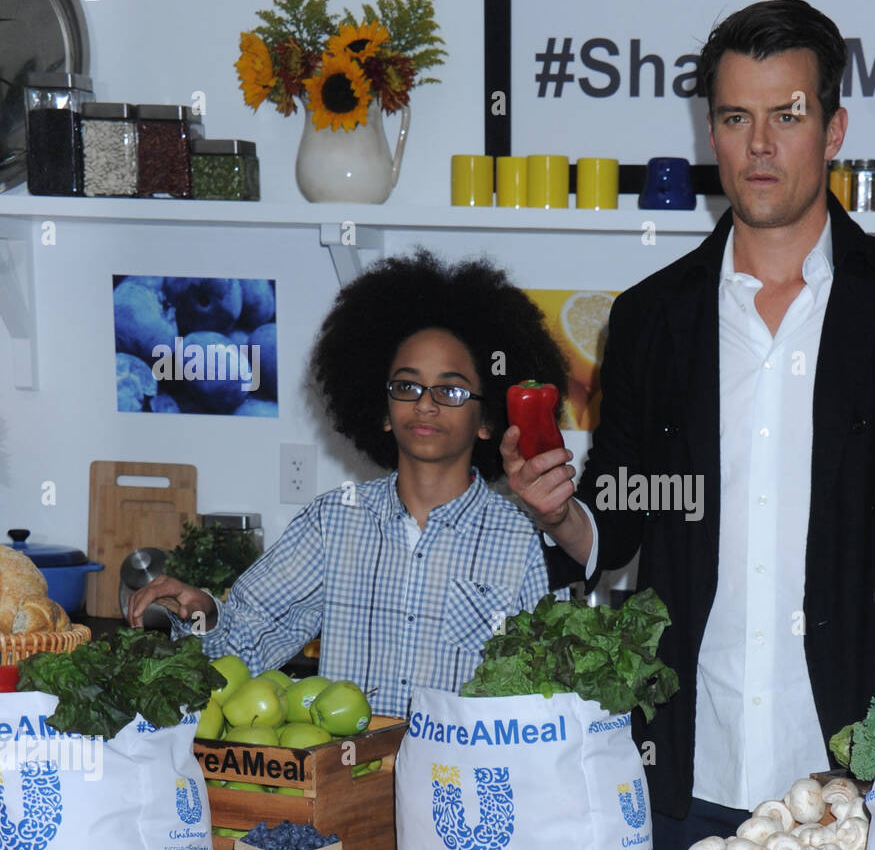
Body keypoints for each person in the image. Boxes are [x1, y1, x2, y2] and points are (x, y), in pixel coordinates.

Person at [503, 0, 875, 850]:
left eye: (786, 116)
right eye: (735, 117)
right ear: (710, 131)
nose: (759, 145)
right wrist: (557, 511)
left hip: (858, 774)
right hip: (686, 765)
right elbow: (618, 523)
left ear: (832, 131)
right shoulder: (650, 318)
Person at [128, 250, 571, 718]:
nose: (424, 404)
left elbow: (551, 698)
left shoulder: (525, 540)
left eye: (451, 390)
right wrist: (204, 614)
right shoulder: (333, 522)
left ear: (488, 421)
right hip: (350, 783)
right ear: (381, 411)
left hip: (466, 785)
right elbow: (244, 646)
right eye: (406, 385)